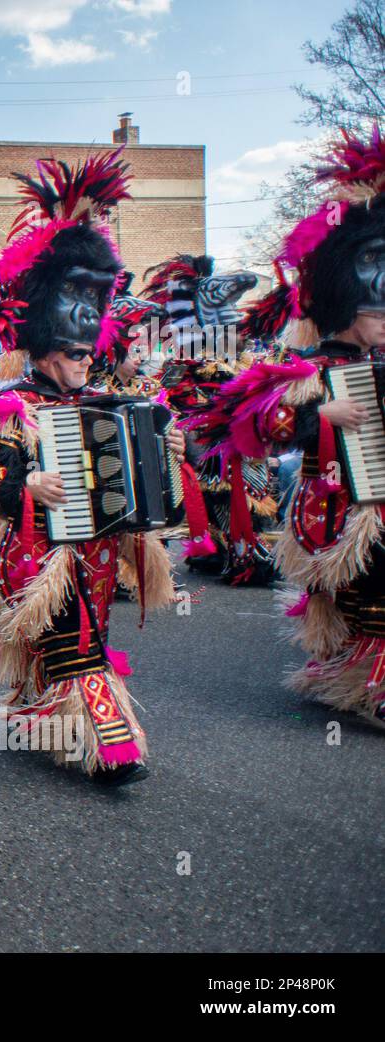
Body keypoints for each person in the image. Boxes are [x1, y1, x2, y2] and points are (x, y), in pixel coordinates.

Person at [0, 150, 192, 785]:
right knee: (76, 645)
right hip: (38, 553)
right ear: (40, 344)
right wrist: (25, 484)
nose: (83, 364)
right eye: (70, 354)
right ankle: (106, 744)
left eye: (86, 353)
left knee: (84, 633)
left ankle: (34, 711)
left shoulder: (106, 405)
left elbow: (154, 478)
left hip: (95, 553)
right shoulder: (16, 408)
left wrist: (175, 459)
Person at [187, 126, 385, 728]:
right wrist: (319, 414)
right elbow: (259, 428)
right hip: (339, 509)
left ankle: (350, 671)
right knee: (369, 591)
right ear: (343, 302)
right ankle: (366, 676)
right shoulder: (313, 370)